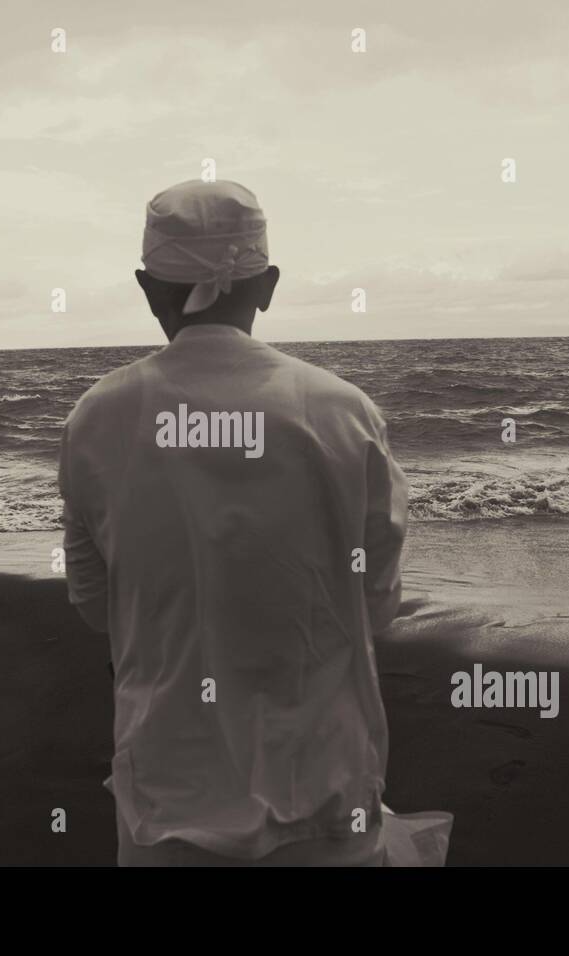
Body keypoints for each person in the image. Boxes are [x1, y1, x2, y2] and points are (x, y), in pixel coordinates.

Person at [58, 180, 408, 865]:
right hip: (326, 804)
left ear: (146, 286)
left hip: (167, 808)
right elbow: (379, 604)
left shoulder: (95, 418)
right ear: (268, 284)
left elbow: (97, 609)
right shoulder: (345, 412)